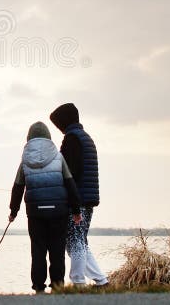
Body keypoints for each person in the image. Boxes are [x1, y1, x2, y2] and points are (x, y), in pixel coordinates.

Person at [8, 122, 83, 293]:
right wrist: (76, 210)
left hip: (35, 213)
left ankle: (39, 288)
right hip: (59, 211)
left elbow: (18, 187)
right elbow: (70, 184)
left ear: (29, 138)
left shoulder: (25, 160)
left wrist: (13, 211)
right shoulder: (58, 157)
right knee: (57, 251)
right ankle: (57, 287)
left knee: (38, 250)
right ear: (48, 137)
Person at [50, 102, 108, 287]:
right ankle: (101, 280)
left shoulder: (72, 139)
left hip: (78, 197)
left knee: (75, 241)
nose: (58, 129)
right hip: (87, 196)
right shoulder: (85, 137)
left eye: (58, 124)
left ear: (64, 121)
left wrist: (63, 191)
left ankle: (78, 282)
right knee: (79, 240)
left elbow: (70, 171)